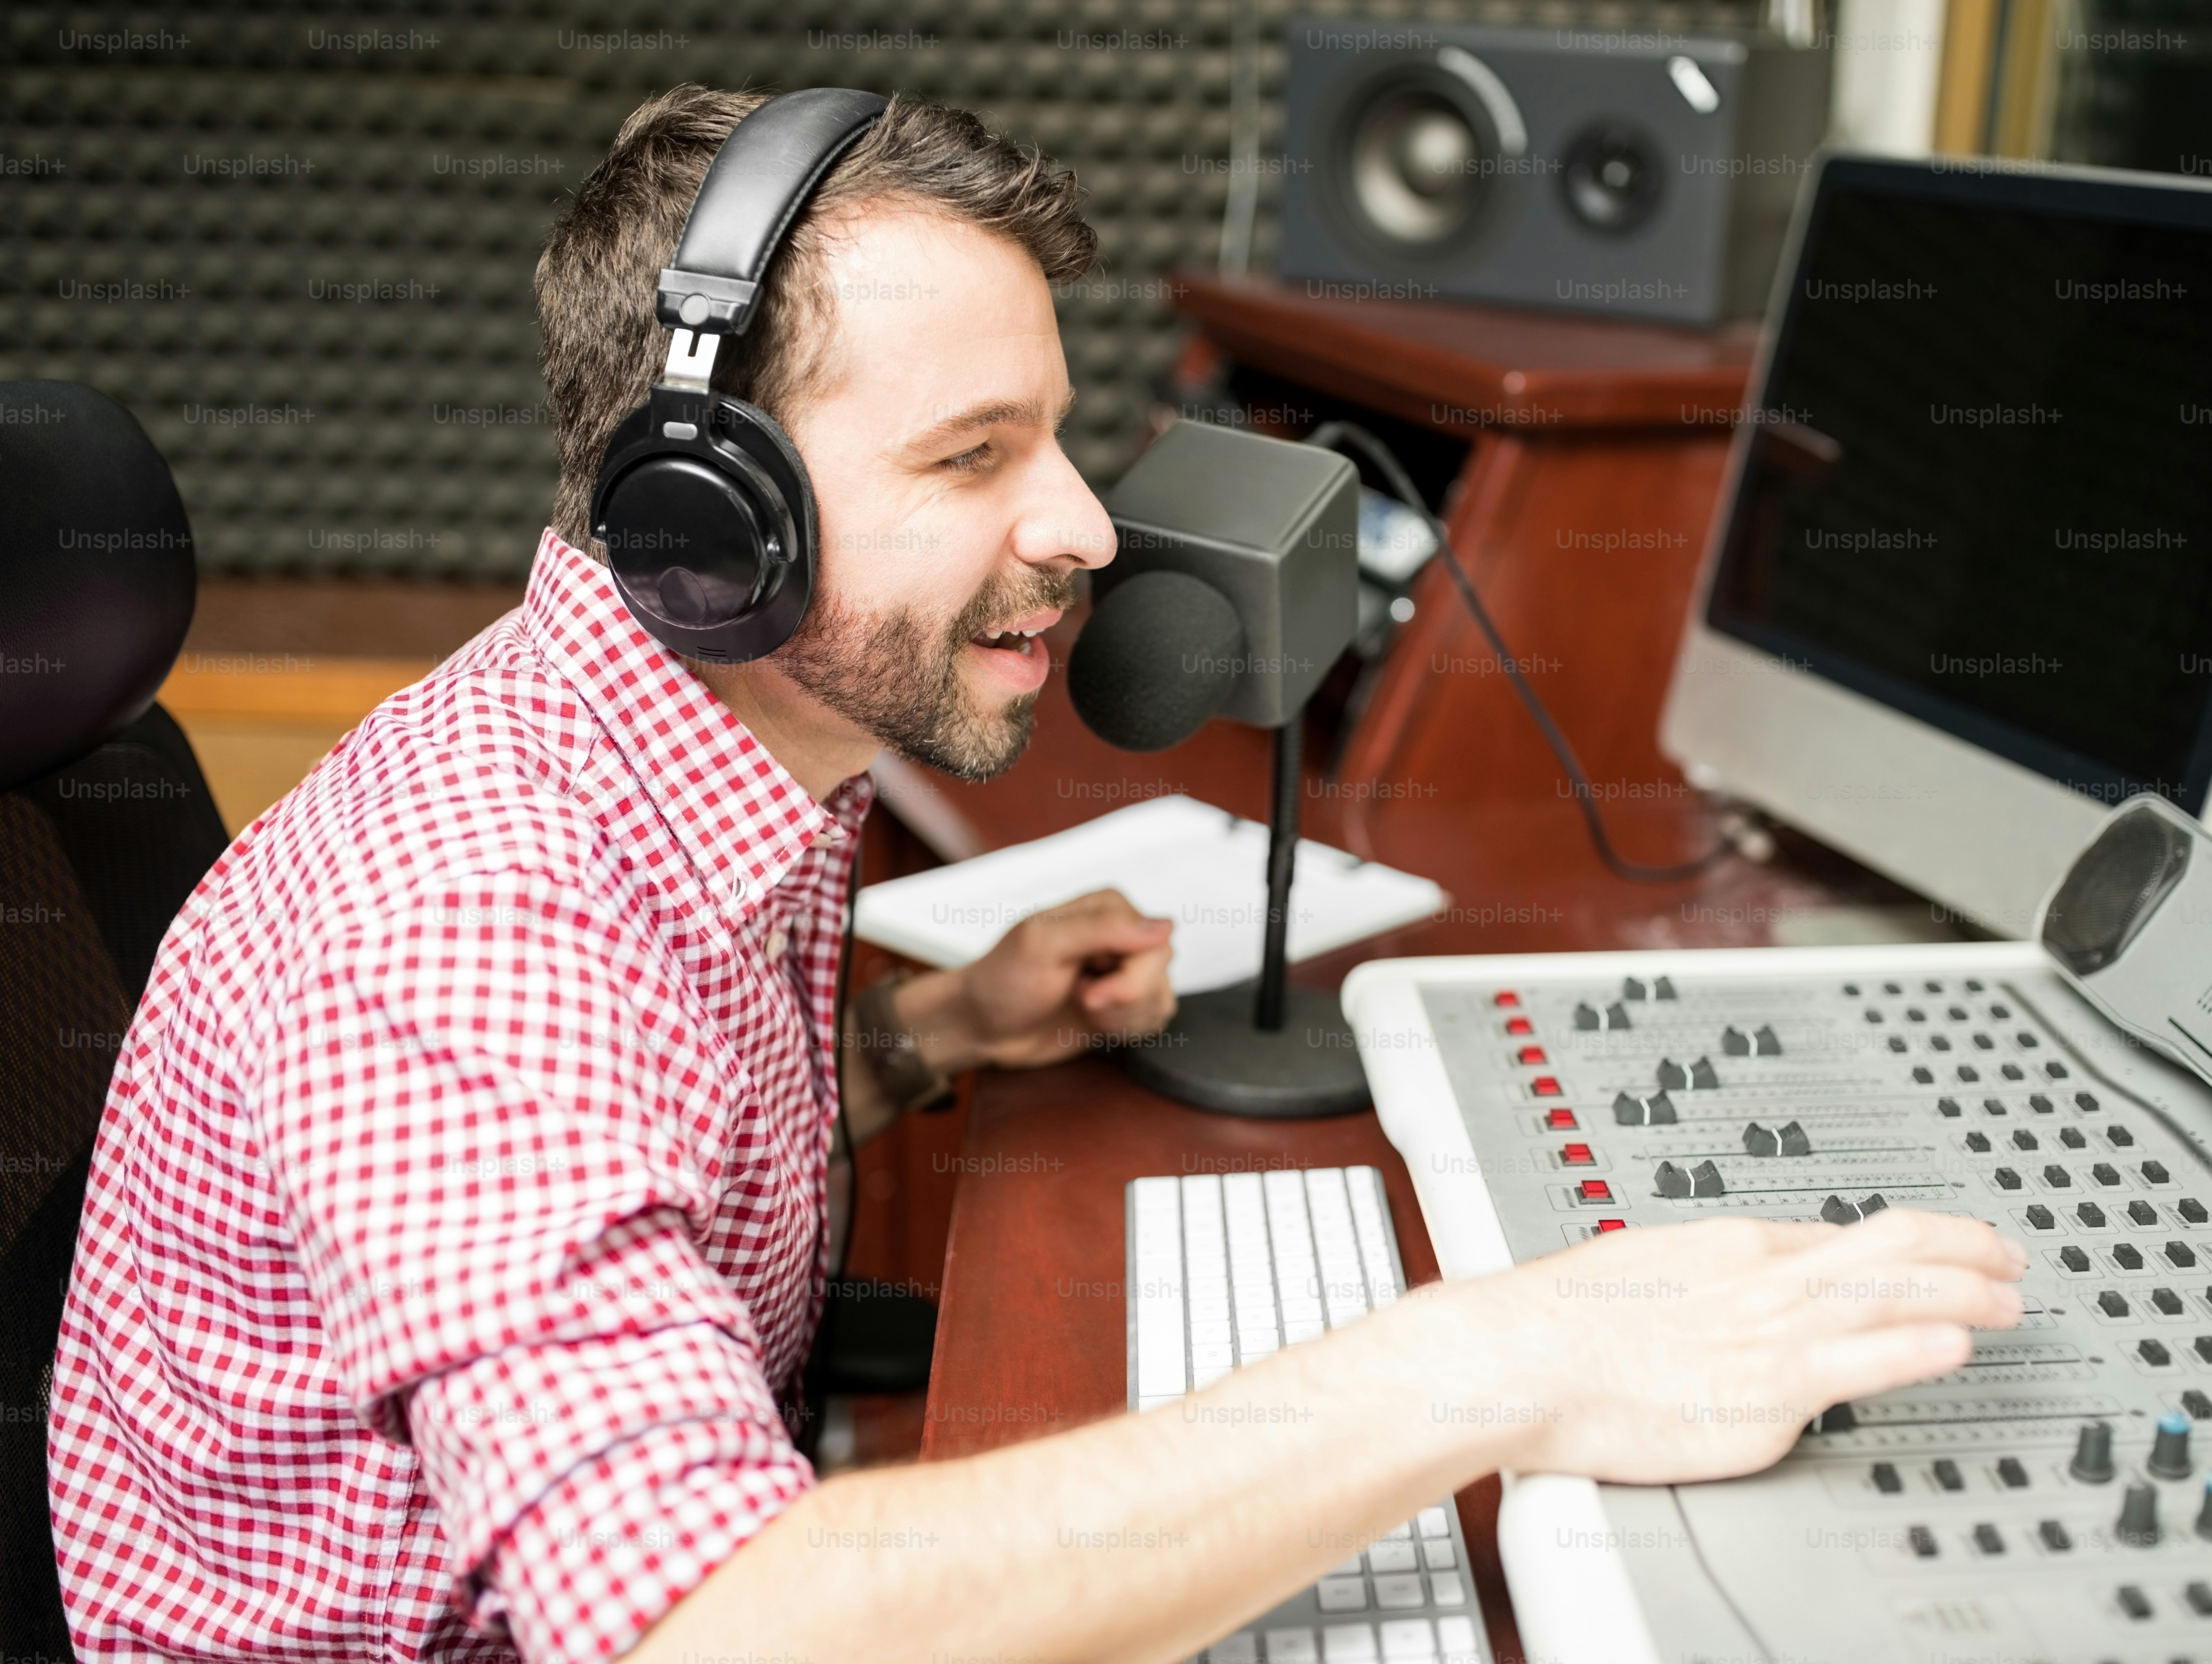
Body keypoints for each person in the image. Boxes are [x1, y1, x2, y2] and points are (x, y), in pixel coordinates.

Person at [48, 86, 2027, 1664]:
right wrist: (1495, 1363)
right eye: (970, 455)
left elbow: (643, 1135)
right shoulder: (464, 928)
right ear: (705, 510)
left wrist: (925, 1035)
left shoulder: (707, 737)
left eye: (1060, 436)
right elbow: (712, 1625)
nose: (1083, 523)